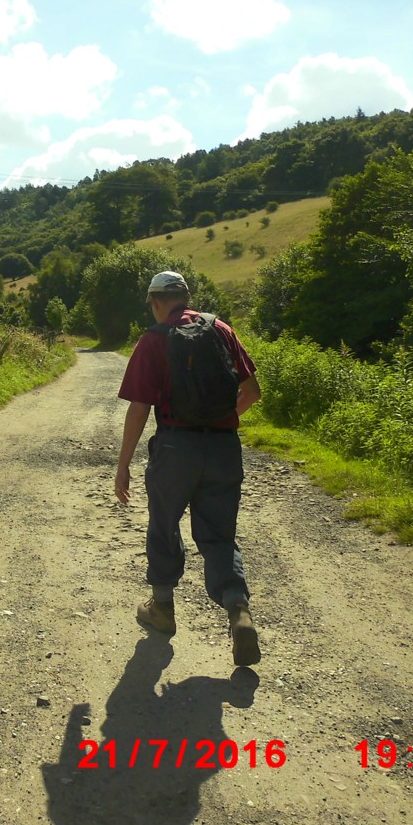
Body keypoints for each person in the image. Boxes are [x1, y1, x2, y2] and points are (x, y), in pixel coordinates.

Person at [114, 271, 263, 667]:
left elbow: (139, 408)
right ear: (187, 298)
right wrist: (221, 423)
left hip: (175, 446)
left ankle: (162, 607)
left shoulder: (153, 340)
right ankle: (237, 610)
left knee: (164, 523)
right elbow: (252, 392)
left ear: (155, 302)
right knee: (219, 535)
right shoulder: (222, 330)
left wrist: (124, 464)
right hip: (223, 448)